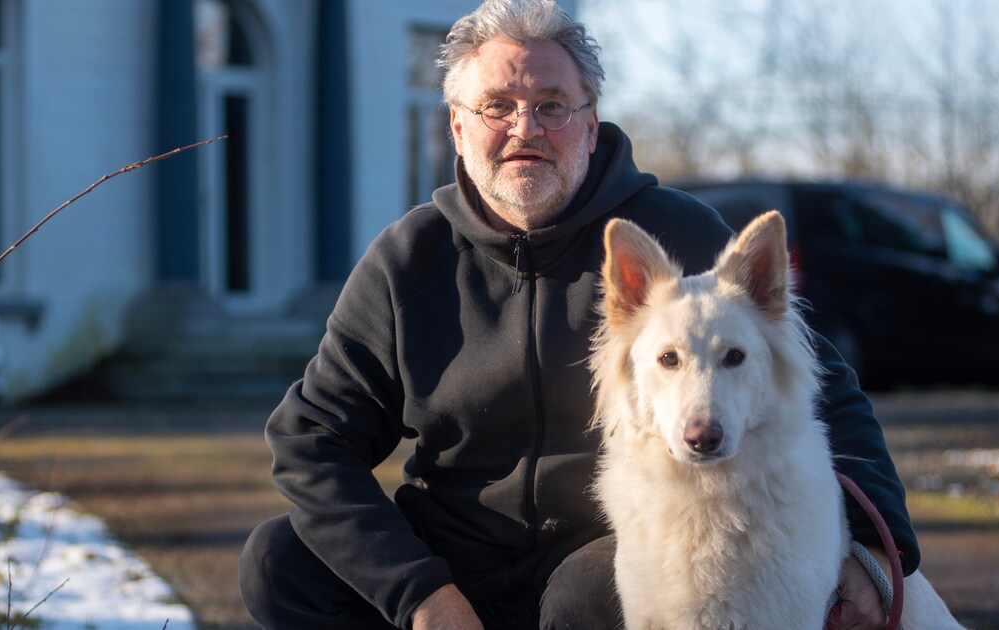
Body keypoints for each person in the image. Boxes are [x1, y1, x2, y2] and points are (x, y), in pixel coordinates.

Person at [239, 1, 918, 628]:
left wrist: (877, 550)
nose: (524, 128)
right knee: (278, 560)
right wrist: (417, 590)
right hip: (448, 556)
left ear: (590, 124)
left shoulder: (675, 237)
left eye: (551, 105)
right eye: (496, 105)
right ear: (457, 124)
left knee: (601, 586)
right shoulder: (406, 258)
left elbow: (819, 387)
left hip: (598, 550)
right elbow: (312, 441)